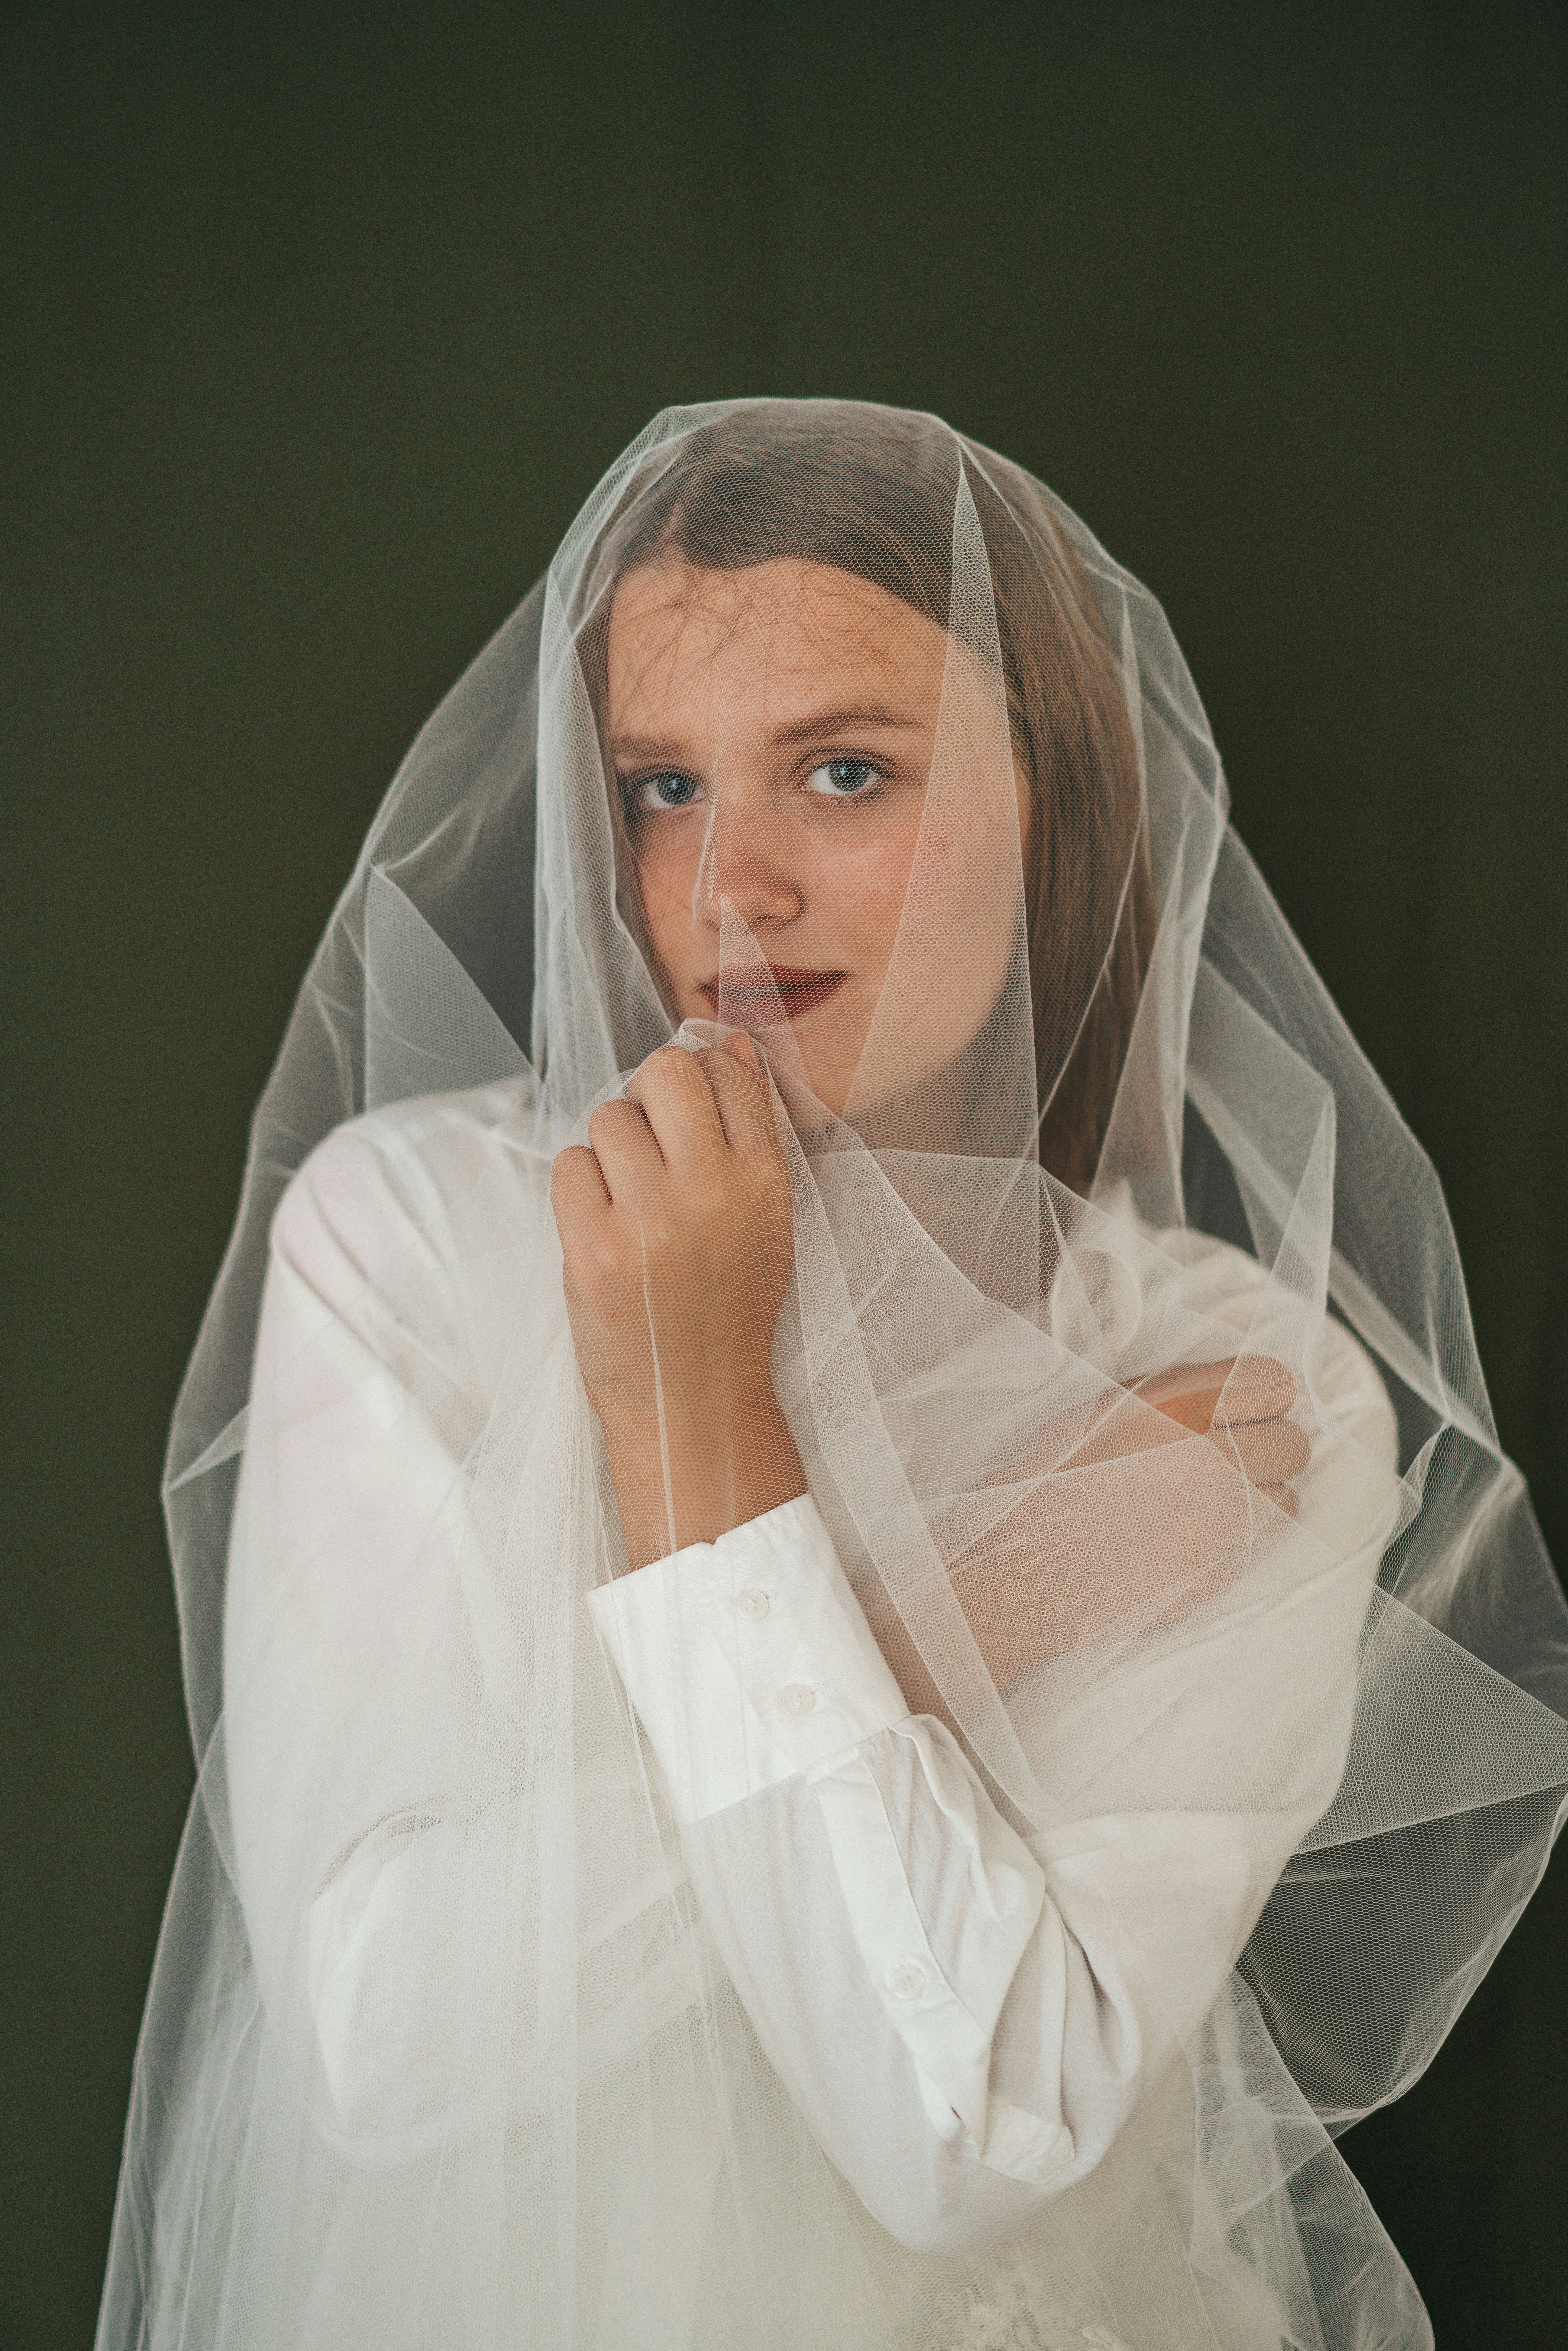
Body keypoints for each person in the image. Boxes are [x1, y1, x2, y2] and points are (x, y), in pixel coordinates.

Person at [98, 401, 1568, 2351]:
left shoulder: (1238, 1378)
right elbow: (379, 2038)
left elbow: (971, 2120)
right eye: (660, 789)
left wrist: (727, 1495)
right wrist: (967, 1558)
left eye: (845, 771)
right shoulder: (414, 1250)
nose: (728, 892)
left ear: (1054, 796)